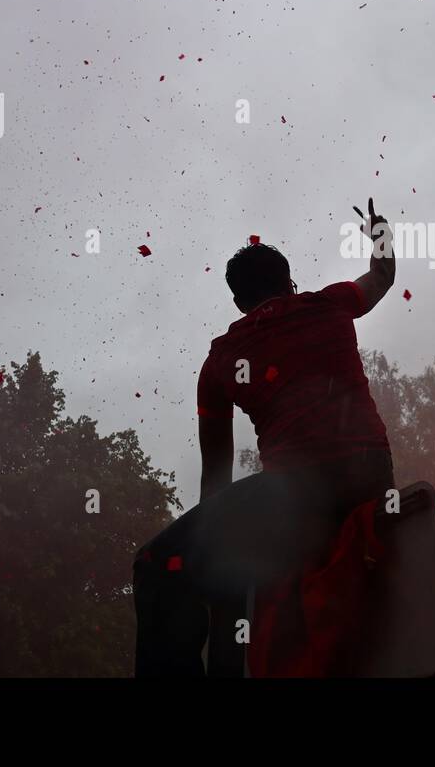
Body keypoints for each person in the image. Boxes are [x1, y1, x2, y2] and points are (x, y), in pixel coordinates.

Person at [133, 199, 398, 677]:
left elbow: (215, 477)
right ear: (290, 281)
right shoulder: (330, 304)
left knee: (158, 565)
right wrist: (380, 234)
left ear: (237, 302)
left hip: (295, 495)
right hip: (371, 473)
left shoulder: (221, 359)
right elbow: (381, 277)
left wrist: (212, 551)